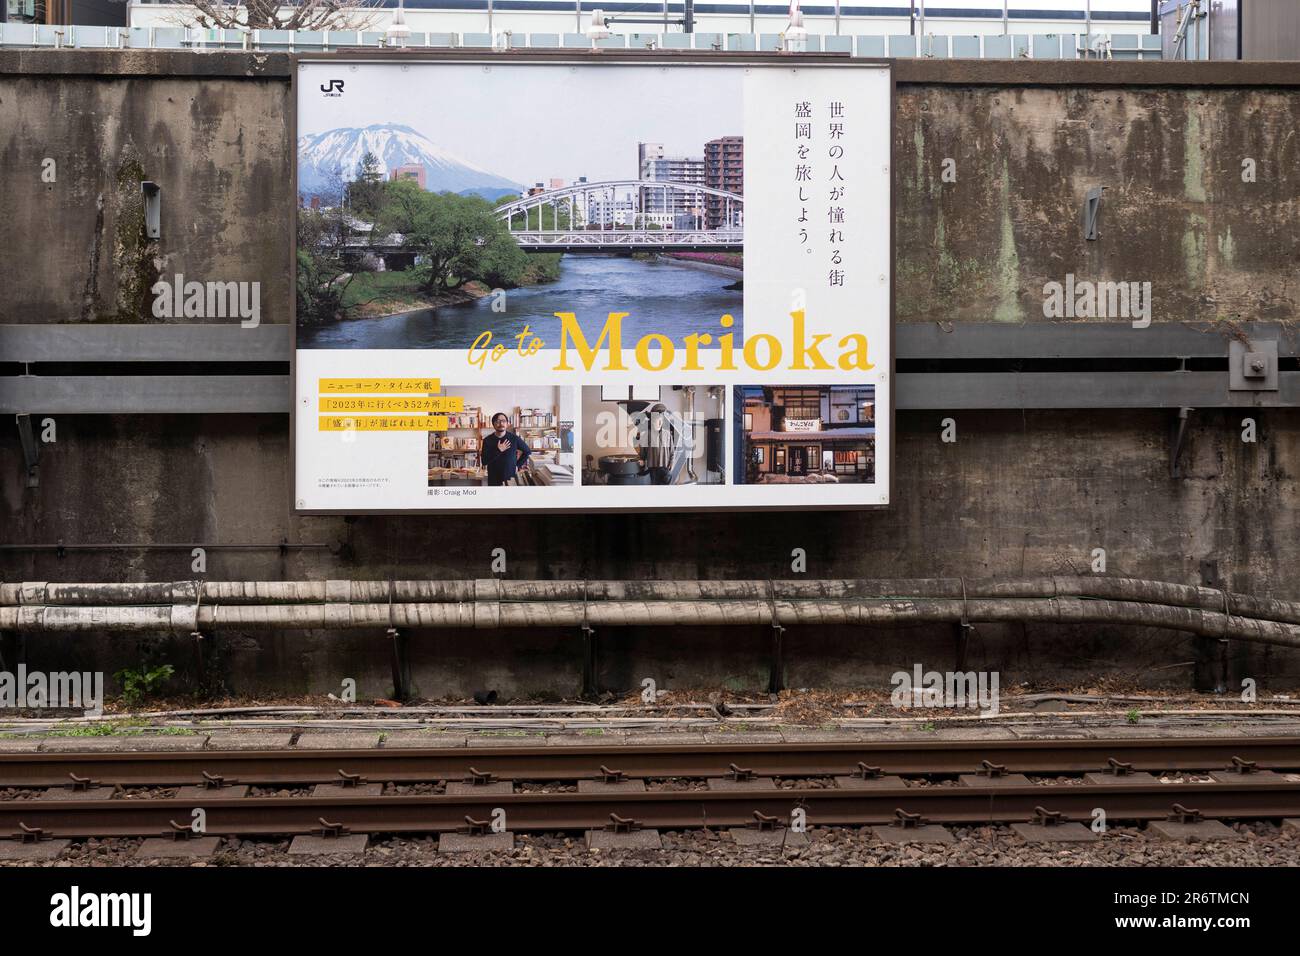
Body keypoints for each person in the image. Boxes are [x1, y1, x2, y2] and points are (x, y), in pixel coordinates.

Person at [480, 412, 531, 486]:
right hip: (493, 478)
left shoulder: (514, 438)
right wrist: (498, 450)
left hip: (510, 477)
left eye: (503, 421)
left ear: (507, 424)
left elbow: (527, 451)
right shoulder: (487, 440)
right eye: (497, 421)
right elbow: (484, 461)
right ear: (493, 424)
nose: (501, 423)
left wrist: (517, 465)